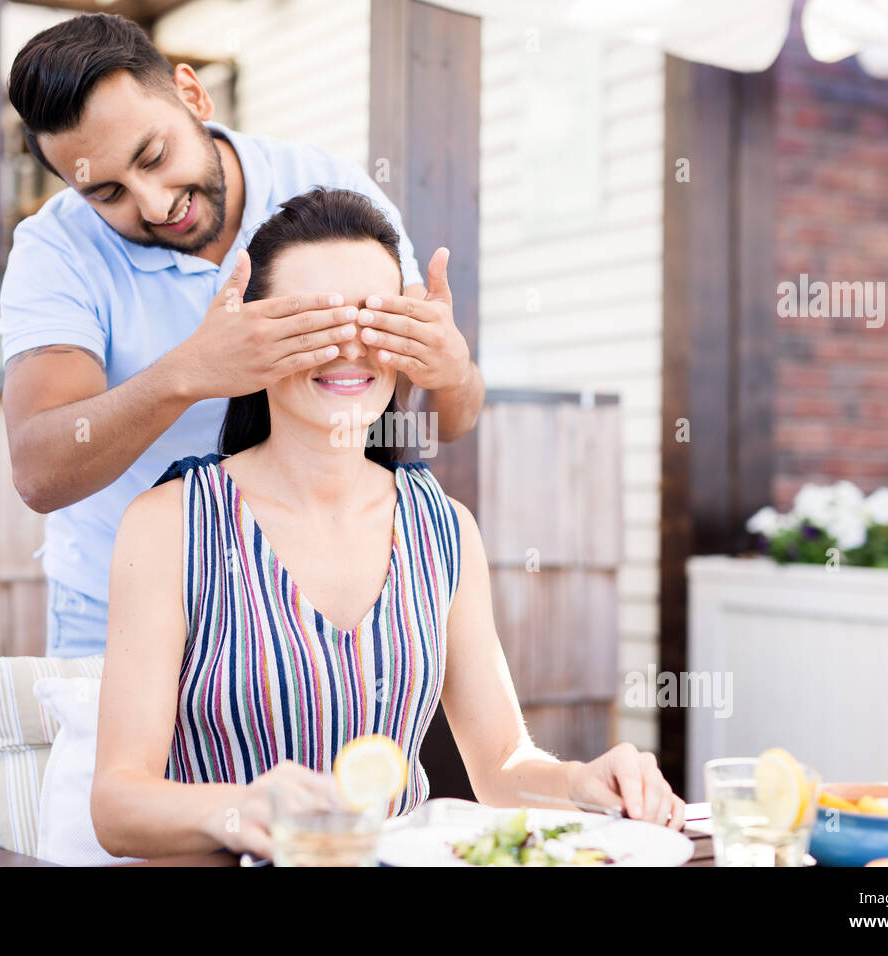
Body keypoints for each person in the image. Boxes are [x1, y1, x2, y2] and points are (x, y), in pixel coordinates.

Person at [90, 188, 684, 861]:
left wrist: (583, 782)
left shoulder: (444, 527)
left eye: (377, 320)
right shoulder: (171, 526)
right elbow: (117, 804)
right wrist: (241, 809)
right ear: (253, 338)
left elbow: (501, 766)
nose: (351, 348)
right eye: (314, 321)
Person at [0, 14, 484, 658]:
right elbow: (40, 472)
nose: (153, 204)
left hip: (320, 594)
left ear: (193, 95)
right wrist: (189, 373)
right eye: (106, 191)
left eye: (154, 157)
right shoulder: (55, 250)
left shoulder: (325, 192)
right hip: (123, 604)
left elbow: (448, 418)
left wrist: (451, 371)